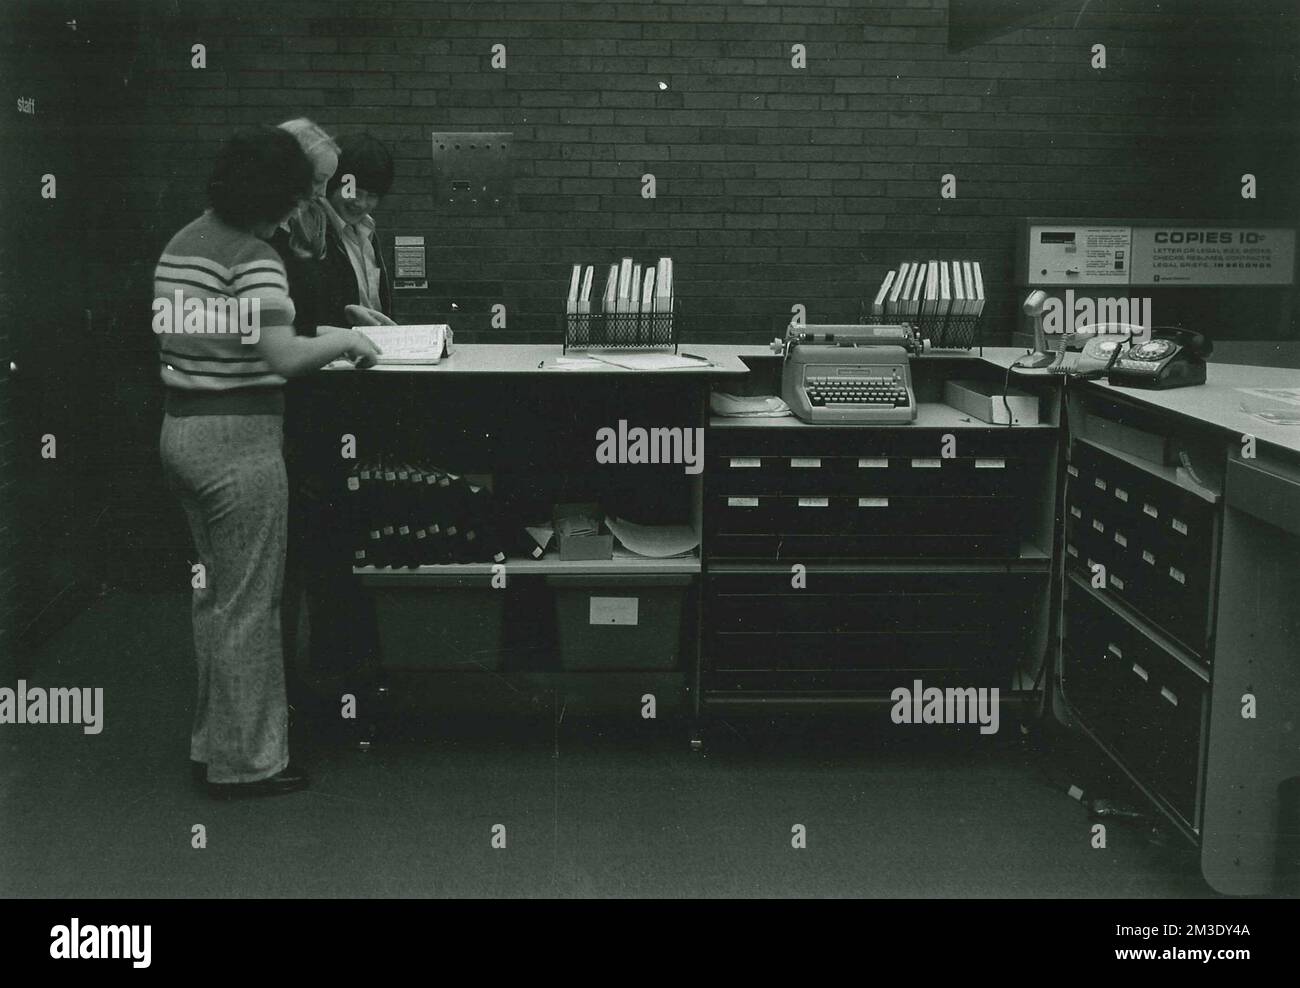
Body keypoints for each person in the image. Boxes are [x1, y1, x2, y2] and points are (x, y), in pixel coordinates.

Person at [154, 126, 380, 798]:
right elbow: (282, 359)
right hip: (240, 447)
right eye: (298, 193)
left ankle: (211, 745)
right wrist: (346, 338)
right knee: (253, 606)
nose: (301, 206)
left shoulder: (184, 243)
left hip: (181, 435)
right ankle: (250, 764)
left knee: (215, 603)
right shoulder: (254, 256)